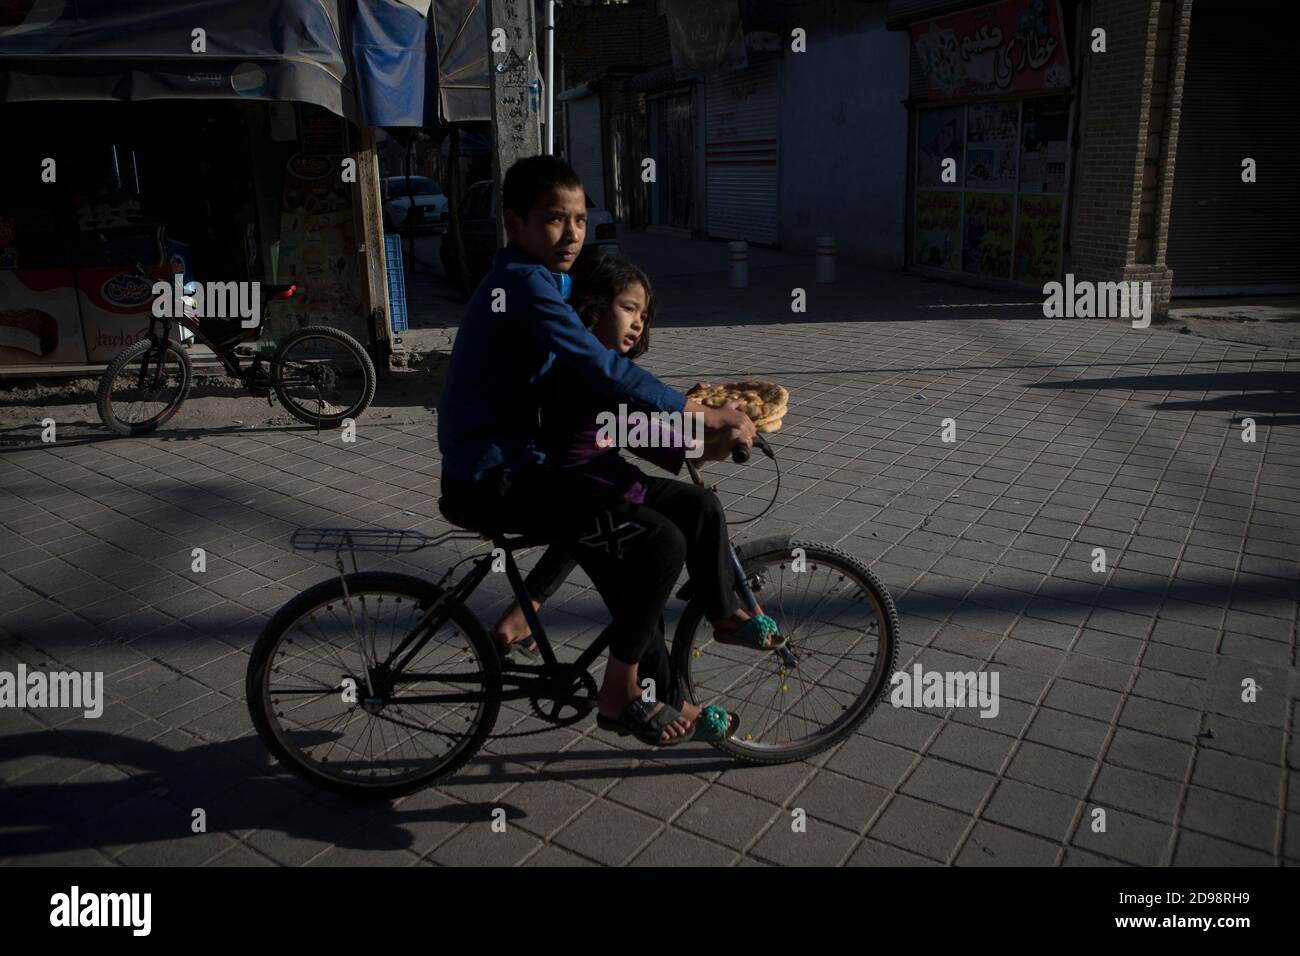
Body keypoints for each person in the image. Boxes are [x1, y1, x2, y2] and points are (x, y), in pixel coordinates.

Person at [437, 155, 755, 746]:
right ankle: (624, 691)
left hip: (524, 467)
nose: (573, 233)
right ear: (515, 222)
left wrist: (694, 434)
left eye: (581, 220)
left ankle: (694, 636)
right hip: (495, 477)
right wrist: (700, 416)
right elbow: (598, 371)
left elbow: (619, 411)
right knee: (658, 543)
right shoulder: (523, 284)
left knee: (677, 516)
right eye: (556, 220)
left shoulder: (547, 281)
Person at [488, 250, 786, 666]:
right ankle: (650, 686)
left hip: (601, 479)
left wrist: (695, 423)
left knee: (699, 506)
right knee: (660, 551)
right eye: (628, 308)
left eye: (643, 316)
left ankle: (526, 612)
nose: (637, 322)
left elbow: (632, 424)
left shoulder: (594, 367)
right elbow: (639, 418)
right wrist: (704, 424)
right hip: (581, 487)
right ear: (594, 308)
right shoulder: (591, 367)